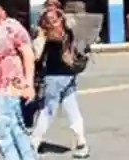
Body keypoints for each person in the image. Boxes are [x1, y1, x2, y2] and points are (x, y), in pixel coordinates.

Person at [31, 8, 89, 158]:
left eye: (51, 19)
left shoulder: (48, 36)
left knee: (47, 111)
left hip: (54, 77)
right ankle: (82, 143)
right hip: (69, 75)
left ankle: (33, 143)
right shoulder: (68, 33)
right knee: (72, 110)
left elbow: (37, 56)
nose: (49, 22)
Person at [0, 3, 36, 160]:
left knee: (6, 128)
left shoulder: (13, 27)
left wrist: (29, 84)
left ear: (5, 11)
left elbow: (28, 54)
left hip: (11, 85)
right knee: (10, 127)